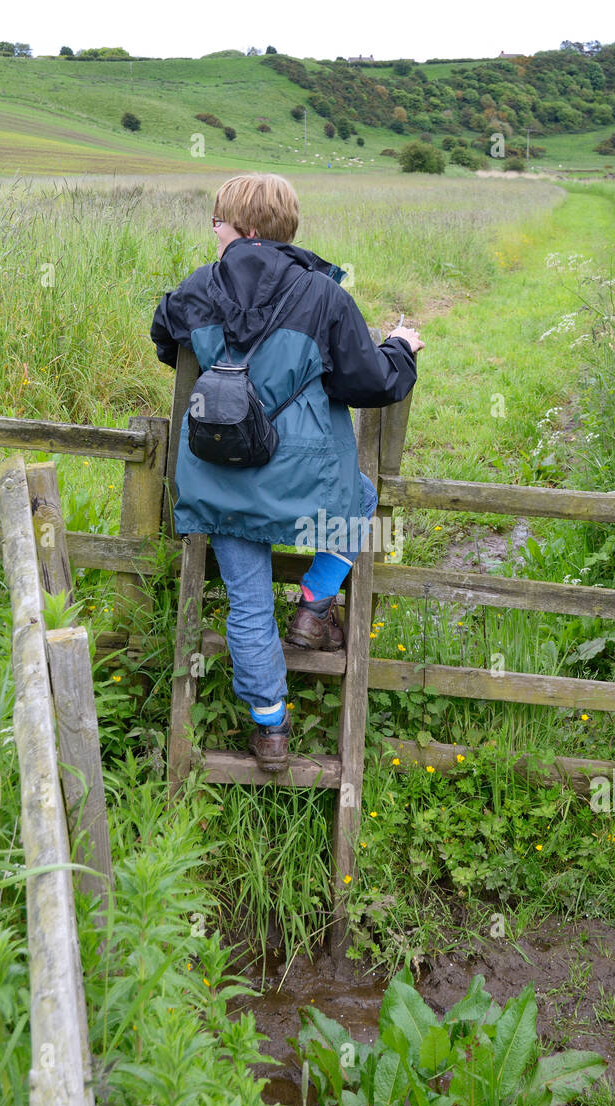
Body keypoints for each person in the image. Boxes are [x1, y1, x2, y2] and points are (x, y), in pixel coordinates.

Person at [151, 173, 422, 774]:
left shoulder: (197, 289)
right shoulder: (322, 297)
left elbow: (168, 341)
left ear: (245, 227)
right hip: (304, 482)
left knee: (247, 605)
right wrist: (400, 345)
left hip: (217, 478)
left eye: (218, 221)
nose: (214, 232)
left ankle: (271, 729)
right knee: (362, 504)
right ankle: (313, 604)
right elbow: (369, 383)